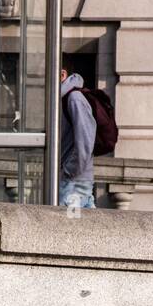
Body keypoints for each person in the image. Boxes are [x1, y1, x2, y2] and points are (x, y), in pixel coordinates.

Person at [59, 66, 97, 209]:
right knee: (81, 226)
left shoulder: (74, 98)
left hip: (73, 183)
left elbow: (85, 142)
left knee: (69, 227)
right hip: (73, 181)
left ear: (62, 74)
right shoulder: (64, 99)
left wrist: (68, 172)